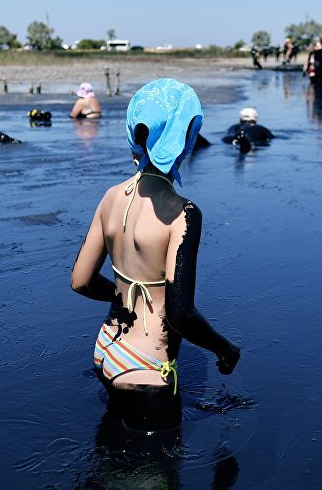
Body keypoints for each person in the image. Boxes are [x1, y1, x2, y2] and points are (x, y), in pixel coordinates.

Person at [70, 78, 240, 431]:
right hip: (146, 368)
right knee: (158, 475)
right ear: (185, 139)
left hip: (107, 350)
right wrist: (225, 350)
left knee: (112, 459)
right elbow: (180, 314)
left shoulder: (111, 196)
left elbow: (80, 282)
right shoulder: (183, 213)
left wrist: (119, 294)